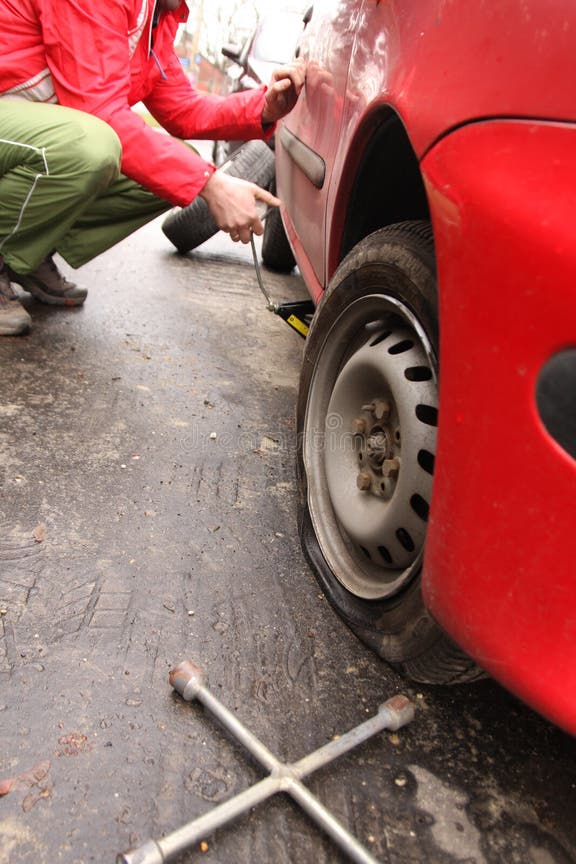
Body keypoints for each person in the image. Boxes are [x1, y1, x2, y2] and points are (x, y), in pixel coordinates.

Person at [0, 0, 306, 336]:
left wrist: (264, 106)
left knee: (174, 164)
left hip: (23, 135)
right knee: (92, 146)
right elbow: (101, 113)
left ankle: (27, 252)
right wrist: (211, 183)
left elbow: (184, 110)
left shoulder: (153, 24)